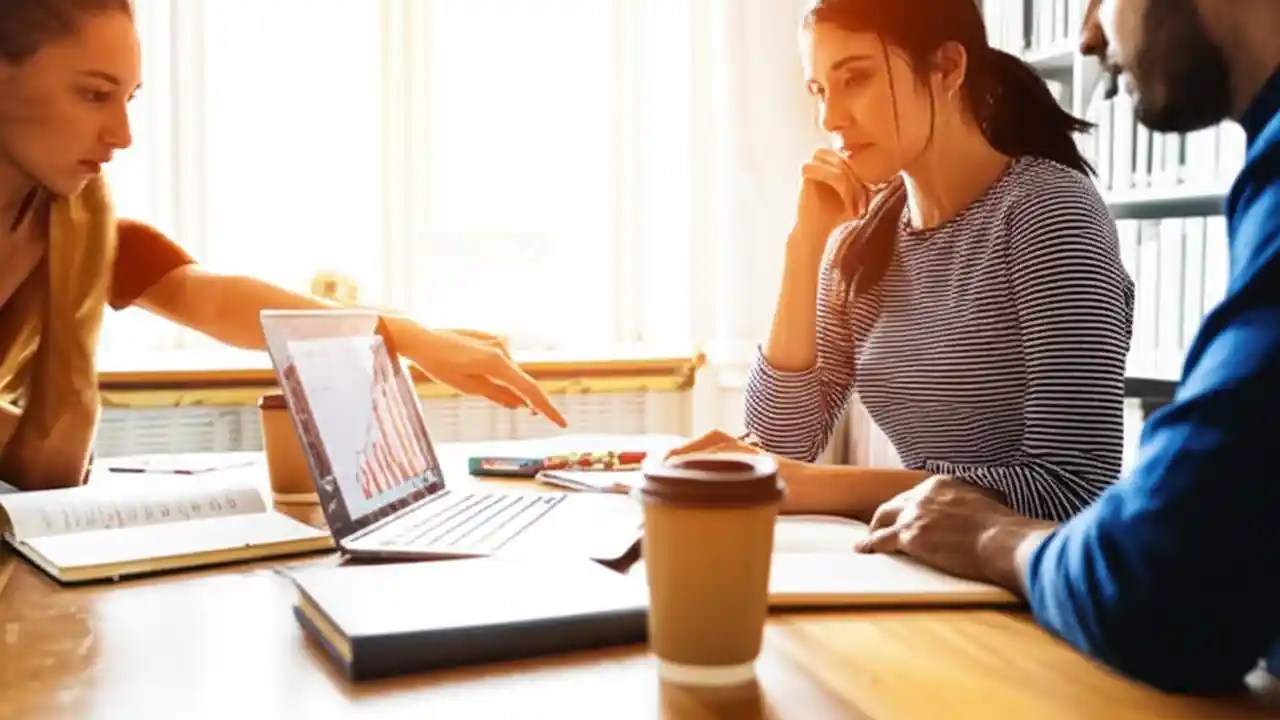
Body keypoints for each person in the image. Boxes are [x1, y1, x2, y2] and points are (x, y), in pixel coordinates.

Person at [855, 0, 1280, 695]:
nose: (1087, 36)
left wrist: (990, 537)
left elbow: (1162, 578)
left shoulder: (1047, 208)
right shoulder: (866, 241)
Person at [0, 0, 566, 492]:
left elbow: (215, 300)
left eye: (129, 99)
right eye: (95, 95)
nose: (122, 135)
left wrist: (414, 338)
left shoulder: (77, 226)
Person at [672, 0, 1134, 523]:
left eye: (856, 79)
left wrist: (812, 486)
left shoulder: (1048, 211)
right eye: (819, 90)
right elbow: (780, 440)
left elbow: (1072, 488)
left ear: (948, 68)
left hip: (1025, 567)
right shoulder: (863, 243)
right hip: (918, 554)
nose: (829, 118)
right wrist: (804, 246)